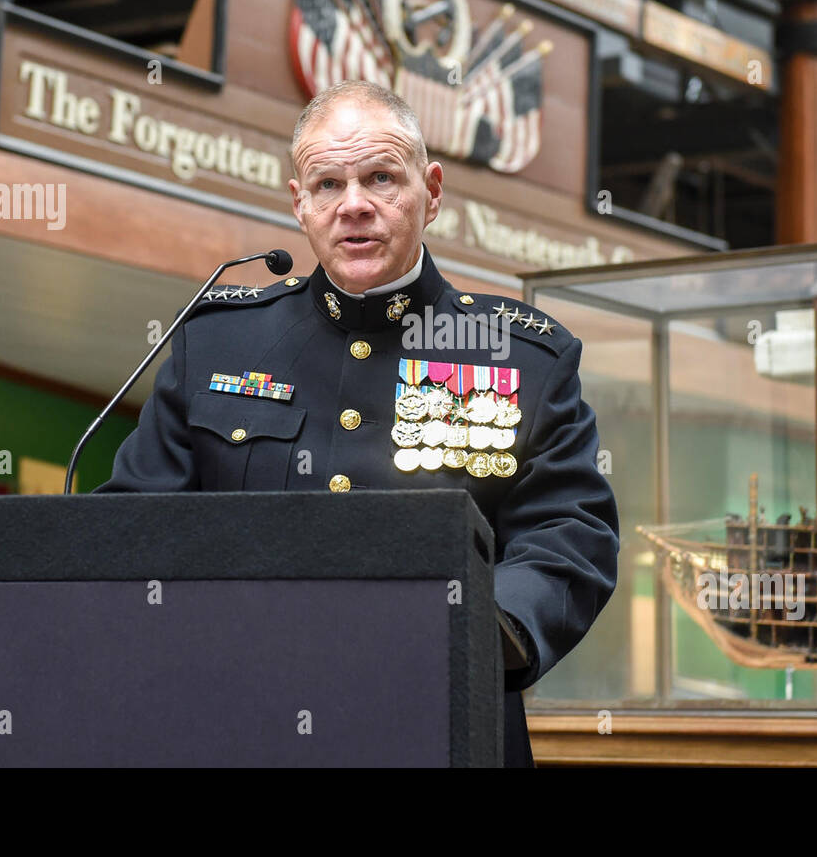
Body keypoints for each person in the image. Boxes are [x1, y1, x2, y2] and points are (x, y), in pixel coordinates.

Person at [95, 81, 619, 767]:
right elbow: (134, 526)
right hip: (244, 726)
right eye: (327, 185)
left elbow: (569, 533)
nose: (354, 206)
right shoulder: (219, 345)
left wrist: (477, 627)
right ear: (299, 204)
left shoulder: (520, 356)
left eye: (380, 178)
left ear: (431, 190)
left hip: (440, 724)